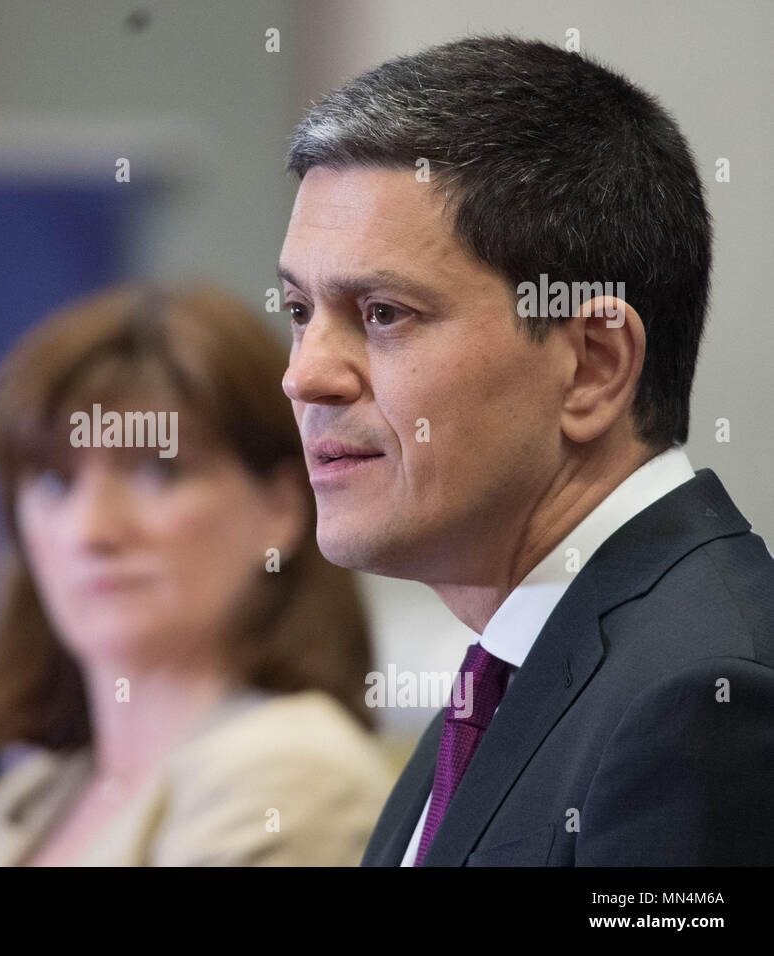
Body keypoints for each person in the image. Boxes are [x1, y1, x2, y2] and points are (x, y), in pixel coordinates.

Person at [278, 35, 774, 866]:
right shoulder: (510, 673)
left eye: (383, 314)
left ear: (591, 367)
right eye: (299, 312)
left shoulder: (700, 699)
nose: (306, 376)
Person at [0, 283, 393, 866]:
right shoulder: (30, 793)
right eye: (57, 482)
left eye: (158, 472)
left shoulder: (294, 775)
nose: (92, 530)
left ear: (281, 509)